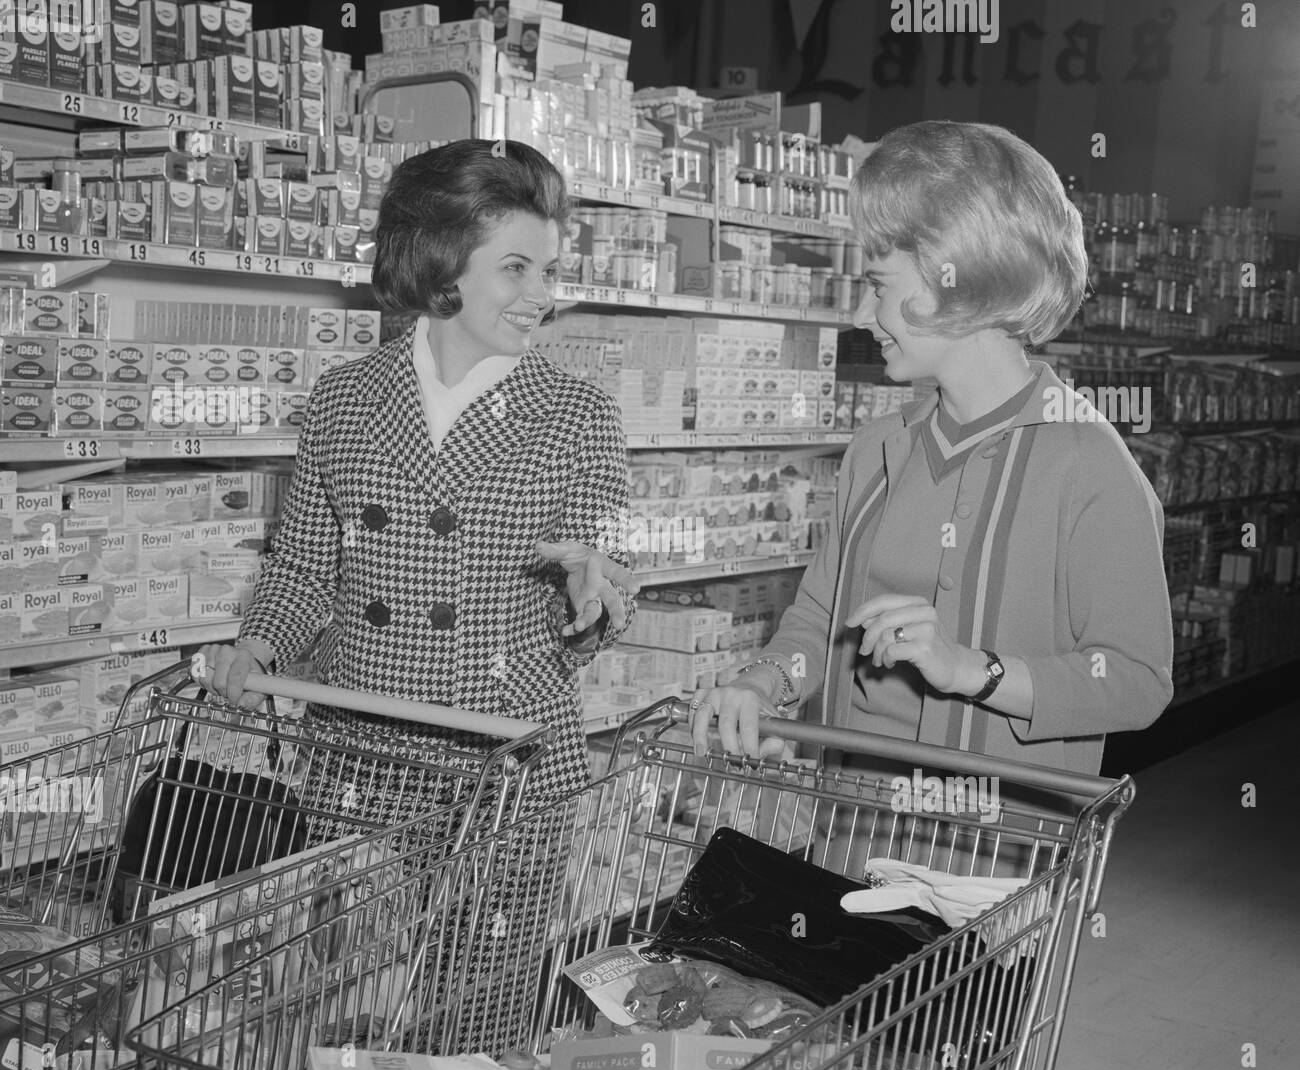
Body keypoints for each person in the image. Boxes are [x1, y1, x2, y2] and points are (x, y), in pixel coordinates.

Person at [690, 120, 1174, 801]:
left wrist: (973, 670)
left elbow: (1135, 680)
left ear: (962, 281)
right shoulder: (875, 450)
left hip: (995, 871)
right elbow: (818, 620)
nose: (862, 312)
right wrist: (764, 682)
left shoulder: (1088, 465)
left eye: (880, 284)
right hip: (852, 837)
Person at [194, 139, 637, 822]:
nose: (542, 297)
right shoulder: (343, 400)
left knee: (487, 935)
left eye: (547, 270)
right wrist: (259, 644)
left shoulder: (580, 415)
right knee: (354, 932)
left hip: (509, 770)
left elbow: (591, 596)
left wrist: (589, 608)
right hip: (362, 755)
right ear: (439, 261)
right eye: (515, 269)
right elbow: (304, 570)